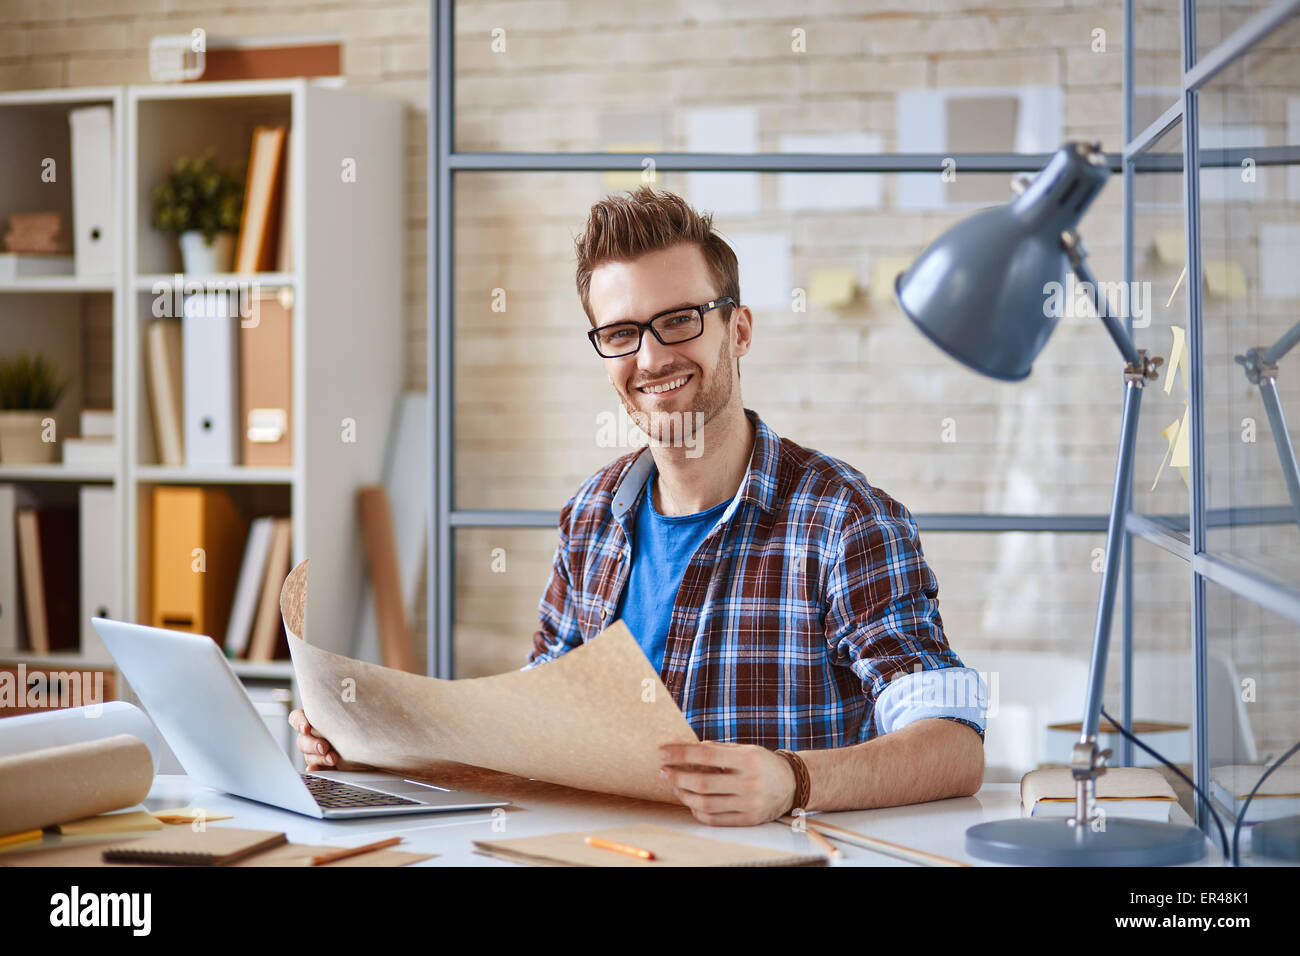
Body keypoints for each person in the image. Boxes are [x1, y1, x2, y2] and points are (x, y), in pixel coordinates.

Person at [293, 186, 987, 826]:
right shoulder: (592, 517)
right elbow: (534, 729)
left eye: (678, 321)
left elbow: (955, 750)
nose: (651, 358)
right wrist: (366, 747)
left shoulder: (844, 520)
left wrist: (793, 782)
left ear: (738, 330)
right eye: (622, 333)